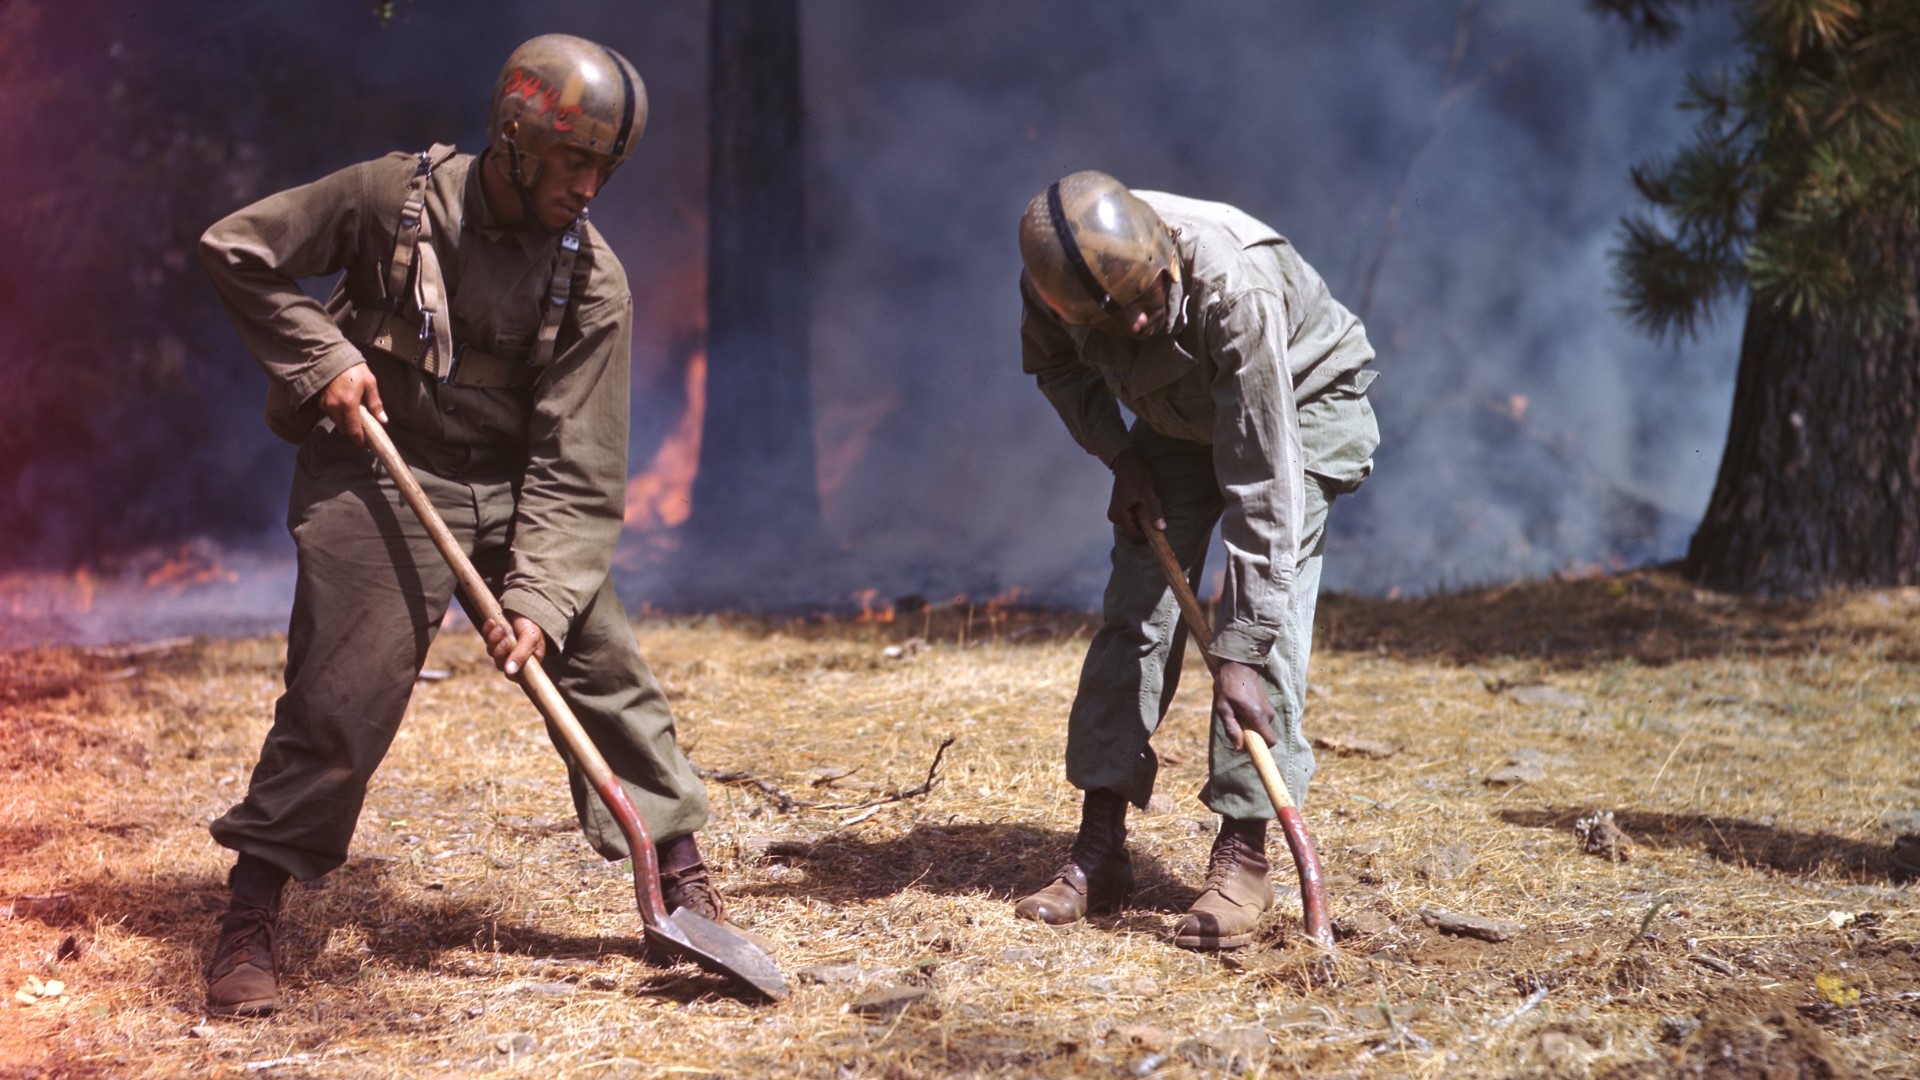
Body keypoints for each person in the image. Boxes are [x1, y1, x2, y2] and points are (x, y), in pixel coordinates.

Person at [197, 34, 735, 1016]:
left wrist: (535, 600)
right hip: (381, 472)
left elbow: (577, 476)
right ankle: (249, 920)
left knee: (609, 675)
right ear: (517, 139)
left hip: (517, 492)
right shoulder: (385, 203)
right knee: (341, 698)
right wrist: (321, 357)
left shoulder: (595, 284)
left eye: (606, 168)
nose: (591, 187)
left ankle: (681, 884)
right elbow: (238, 250)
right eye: (577, 160)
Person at [1012, 171, 1380, 949]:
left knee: (1264, 629)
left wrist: (1239, 649)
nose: (1144, 316)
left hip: (1300, 407)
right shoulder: (1058, 282)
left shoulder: (1230, 289)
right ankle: (1099, 851)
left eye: (1153, 297)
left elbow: (1263, 482)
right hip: (1179, 419)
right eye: (1124, 316)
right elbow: (1057, 370)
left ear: (1164, 258)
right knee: (1136, 607)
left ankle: (1244, 855)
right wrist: (1120, 456)